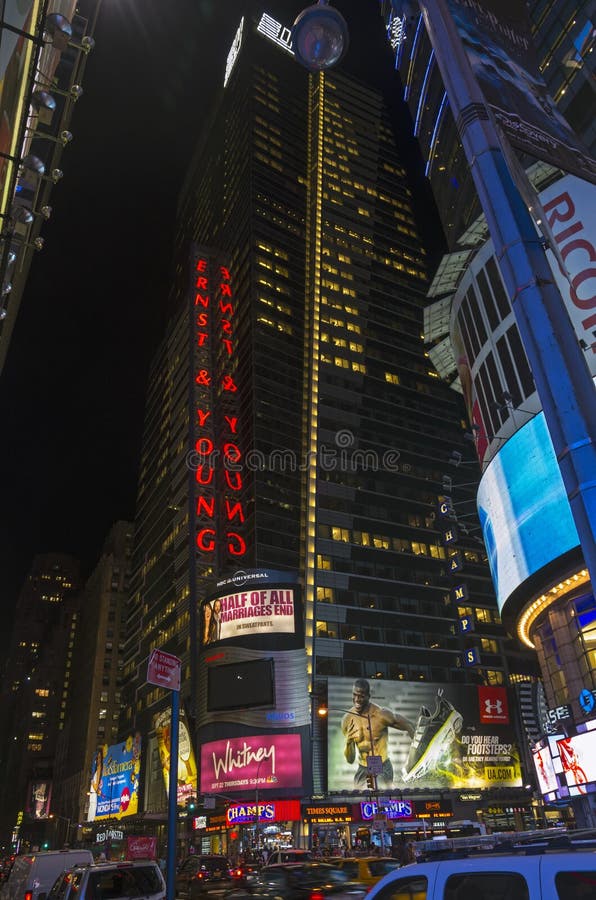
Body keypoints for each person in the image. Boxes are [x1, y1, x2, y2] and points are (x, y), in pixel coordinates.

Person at [341, 679, 414, 789]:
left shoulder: (381, 714)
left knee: (377, 789)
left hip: (382, 766)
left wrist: (416, 750)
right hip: (362, 768)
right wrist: (348, 742)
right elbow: (350, 760)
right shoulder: (347, 720)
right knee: (359, 798)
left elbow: (409, 725)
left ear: (368, 696)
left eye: (360, 696)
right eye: (354, 695)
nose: (357, 699)